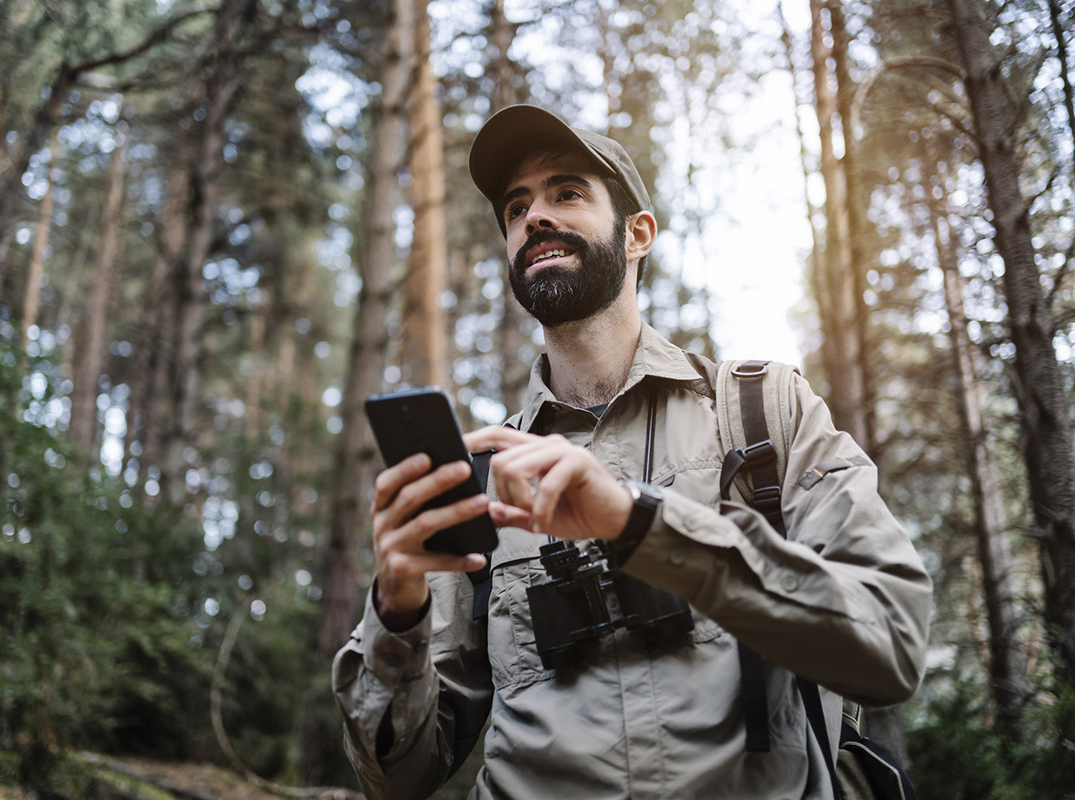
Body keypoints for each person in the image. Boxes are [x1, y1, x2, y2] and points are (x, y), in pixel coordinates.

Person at [332, 104, 932, 799]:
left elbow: (890, 646)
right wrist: (397, 611)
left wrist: (641, 524)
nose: (534, 217)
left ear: (638, 234)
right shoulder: (485, 478)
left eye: (567, 193)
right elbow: (395, 777)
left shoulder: (764, 410)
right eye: (516, 207)